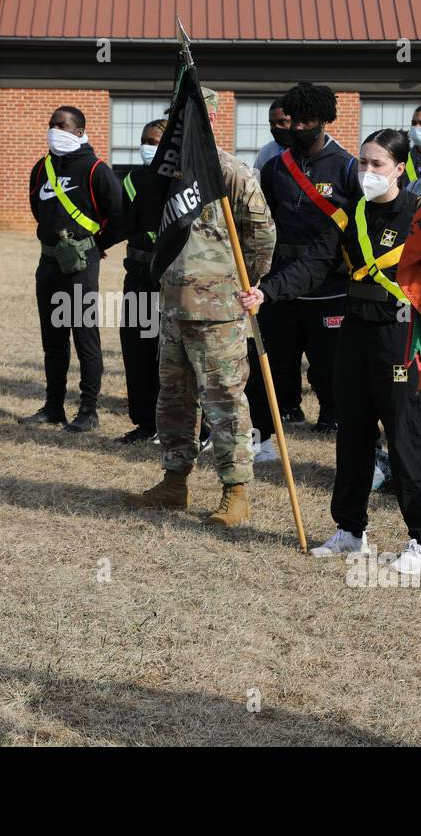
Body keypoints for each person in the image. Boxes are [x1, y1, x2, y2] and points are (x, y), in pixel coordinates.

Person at [241, 130, 421, 572]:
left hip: (402, 339)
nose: (367, 172)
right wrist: (267, 292)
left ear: (401, 169)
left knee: (406, 436)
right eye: (362, 163)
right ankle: (350, 531)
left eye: (378, 164)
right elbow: (312, 264)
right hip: (354, 334)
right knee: (352, 435)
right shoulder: (349, 215)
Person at [125, 88, 276, 527]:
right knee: (174, 398)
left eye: (186, 116)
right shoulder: (168, 172)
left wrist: (240, 281)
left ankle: (236, 491)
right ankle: (174, 481)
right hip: (173, 306)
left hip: (219, 313)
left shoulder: (230, 172)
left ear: (207, 120)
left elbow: (263, 236)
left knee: (225, 402)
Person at [251, 82, 361, 451]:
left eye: (307, 121)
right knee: (272, 361)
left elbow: (360, 226)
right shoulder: (275, 167)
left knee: (329, 365)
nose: (298, 128)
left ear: (324, 121)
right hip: (280, 279)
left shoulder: (347, 167)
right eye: (293, 122)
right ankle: (265, 433)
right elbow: (262, 220)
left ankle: (334, 416)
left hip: (330, 283)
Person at [23, 105, 124, 433]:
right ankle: (54, 407)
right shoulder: (42, 168)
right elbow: (38, 209)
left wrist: (97, 245)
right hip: (48, 263)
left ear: (79, 131)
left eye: (62, 125)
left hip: (81, 266)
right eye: (51, 124)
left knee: (85, 338)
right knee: (52, 341)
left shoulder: (96, 169)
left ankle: (89, 410)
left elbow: (119, 214)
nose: (54, 130)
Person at [114, 119, 167, 444]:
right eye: (144, 140)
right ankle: (145, 422)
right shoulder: (132, 180)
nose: (148, 146)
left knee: (171, 354)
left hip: (172, 278)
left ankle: (174, 424)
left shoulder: (182, 181)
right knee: (137, 348)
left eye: (155, 141)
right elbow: (119, 222)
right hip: (137, 275)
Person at [252, 98, 291, 173]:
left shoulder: (309, 150)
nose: (276, 127)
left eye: (282, 122)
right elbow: (256, 182)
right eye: (272, 123)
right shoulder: (266, 152)